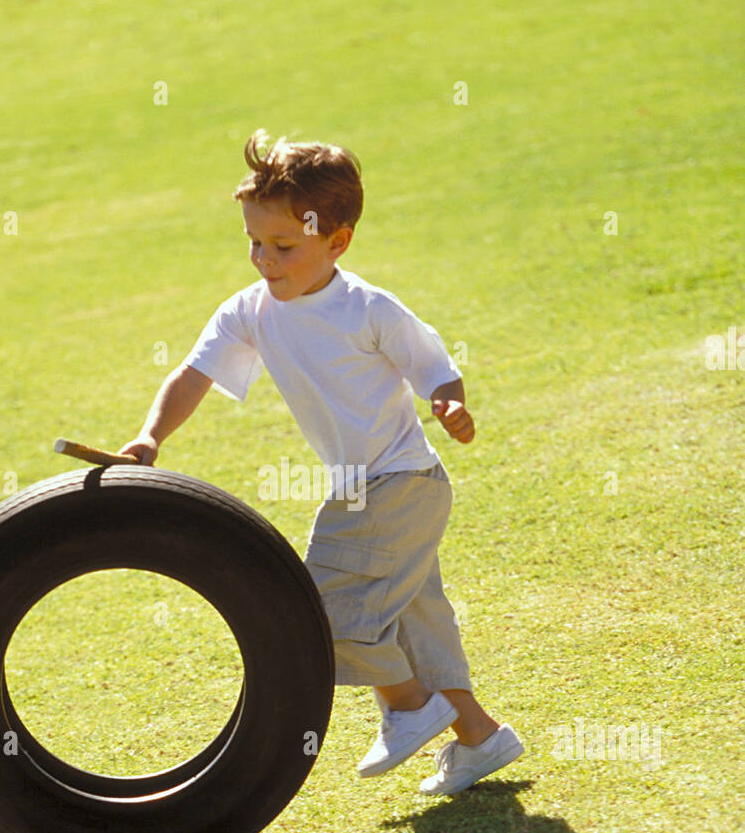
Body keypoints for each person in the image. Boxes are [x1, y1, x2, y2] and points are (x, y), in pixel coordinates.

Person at [120, 130, 523, 796]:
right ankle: (480, 739)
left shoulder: (367, 308)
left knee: (318, 614)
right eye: (253, 242)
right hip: (376, 490)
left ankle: (409, 706)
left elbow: (433, 365)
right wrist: (150, 436)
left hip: (399, 485)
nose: (263, 260)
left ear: (337, 241)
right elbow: (193, 373)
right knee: (416, 620)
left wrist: (449, 405)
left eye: (283, 246)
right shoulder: (250, 312)